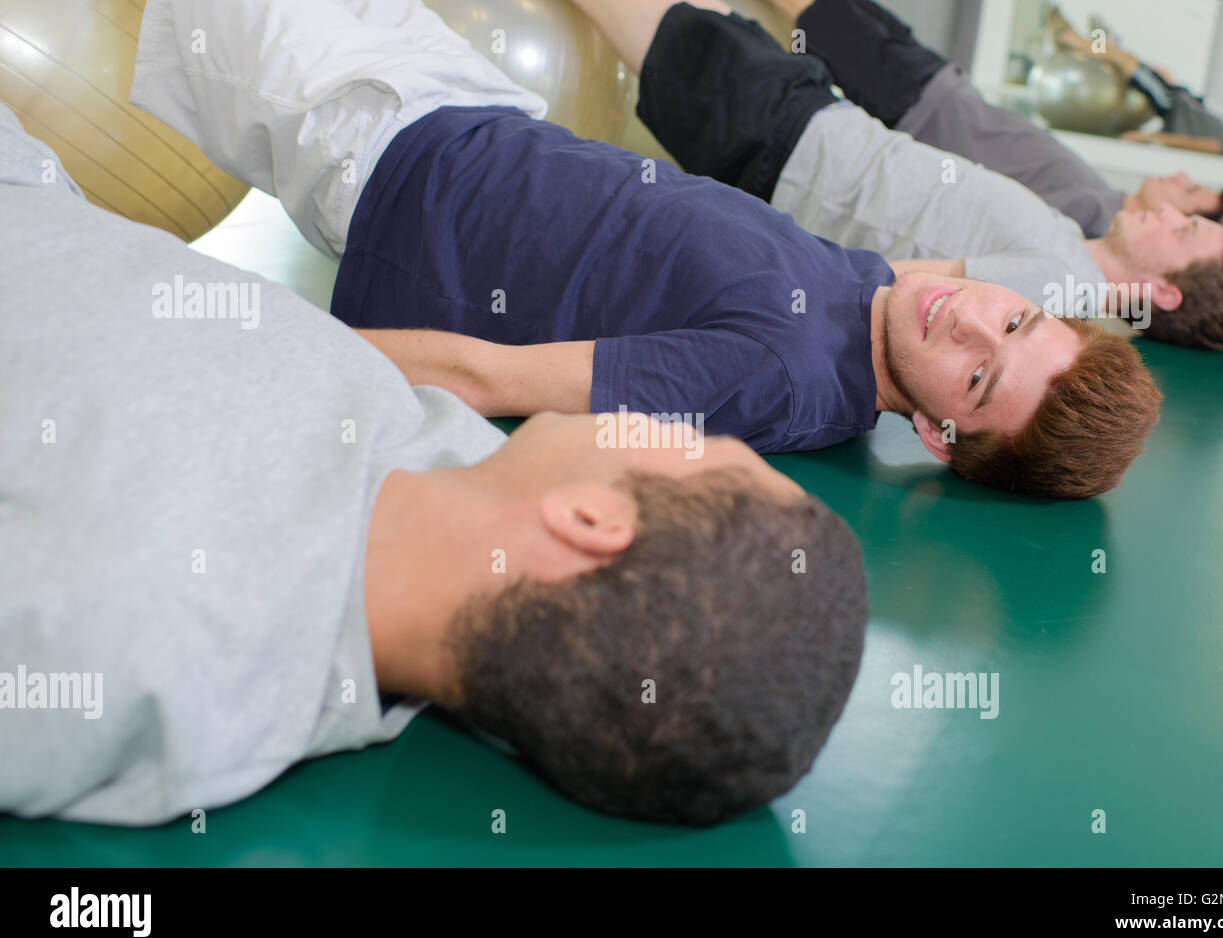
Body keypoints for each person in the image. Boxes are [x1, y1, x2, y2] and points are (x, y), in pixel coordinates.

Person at [0, 102, 870, 828]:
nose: (665, 426)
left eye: (691, 445)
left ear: (591, 519)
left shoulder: (126, 639)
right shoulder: (454, 463)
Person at [131, 0, 1161, 498]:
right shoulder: (880, 303)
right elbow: (933, 289)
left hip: (380, 155)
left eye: (981, 375)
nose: (975, 316)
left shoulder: (778, 373)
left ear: (937, 436)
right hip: (470, 109)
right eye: (1017, 317)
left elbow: (490, 377)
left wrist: (236, 354)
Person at [575, 0, 1223, 352]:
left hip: (788, 146)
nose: (1170, 214)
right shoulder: (1071, 259)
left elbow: (893, 285)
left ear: (1164, 296)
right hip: (811, 126)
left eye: (1184, 232)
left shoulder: (1064, 285)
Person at [768, 0, 1223, 239]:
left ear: (1172, 223)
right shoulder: (1107, 198)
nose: (1181, 177)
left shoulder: (1094, 219)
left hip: (919, 107)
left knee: (815, 15)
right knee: (828, 10)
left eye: (1189, 192)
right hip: (938, 86)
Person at [1042, 6, 1223, 166]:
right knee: (1135, 63)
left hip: (1169, 102)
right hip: (1178, 97)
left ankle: (1069, 39)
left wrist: (1148, 138)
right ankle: (1097, 40)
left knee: (1126, 61)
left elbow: (1186, 142)